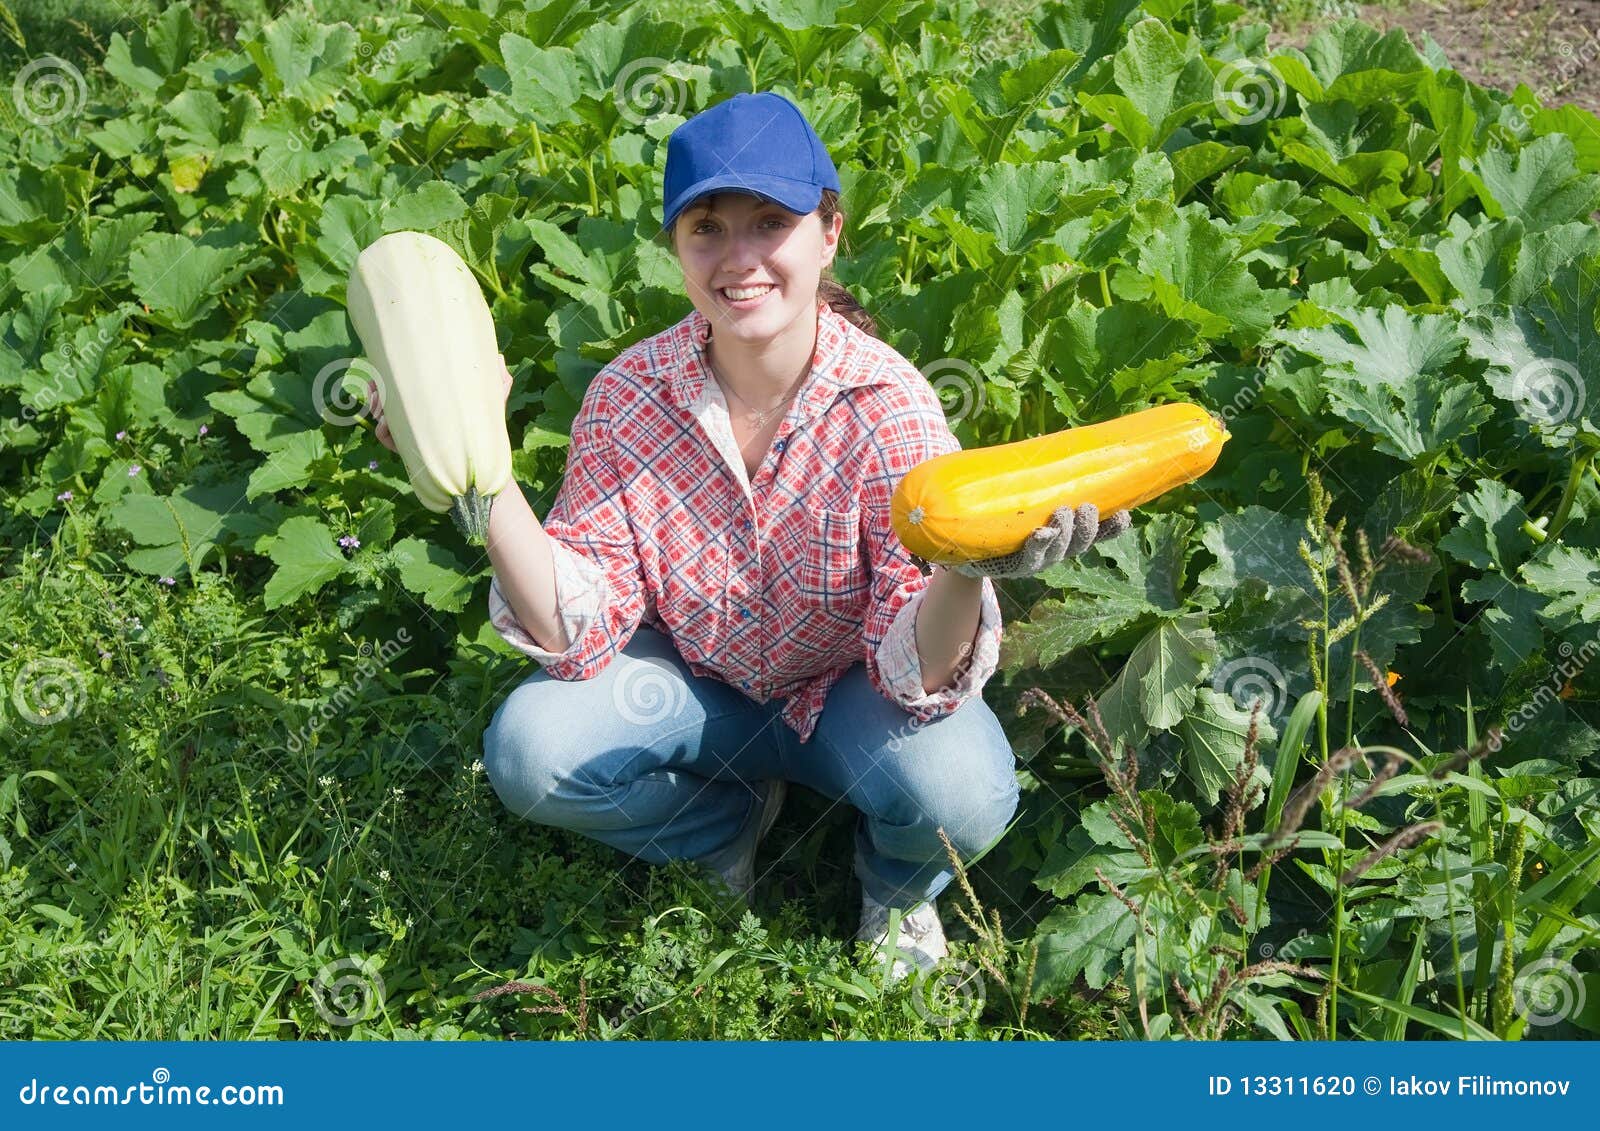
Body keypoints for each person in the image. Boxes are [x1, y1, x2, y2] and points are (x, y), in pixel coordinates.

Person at [367, 92, 1129, 981]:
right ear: (675, 247)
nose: (740, 259)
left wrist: (963, 569)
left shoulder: (892, 409)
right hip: (695, 695)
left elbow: (918, 680)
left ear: (829, 232)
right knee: (532, 750)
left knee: (965, 788)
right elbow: (577, 641)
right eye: (707, 228)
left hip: (848, 702)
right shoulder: (628, 397)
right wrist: (482, 475)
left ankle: (893, 889)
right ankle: (718, 831)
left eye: (771, 222)